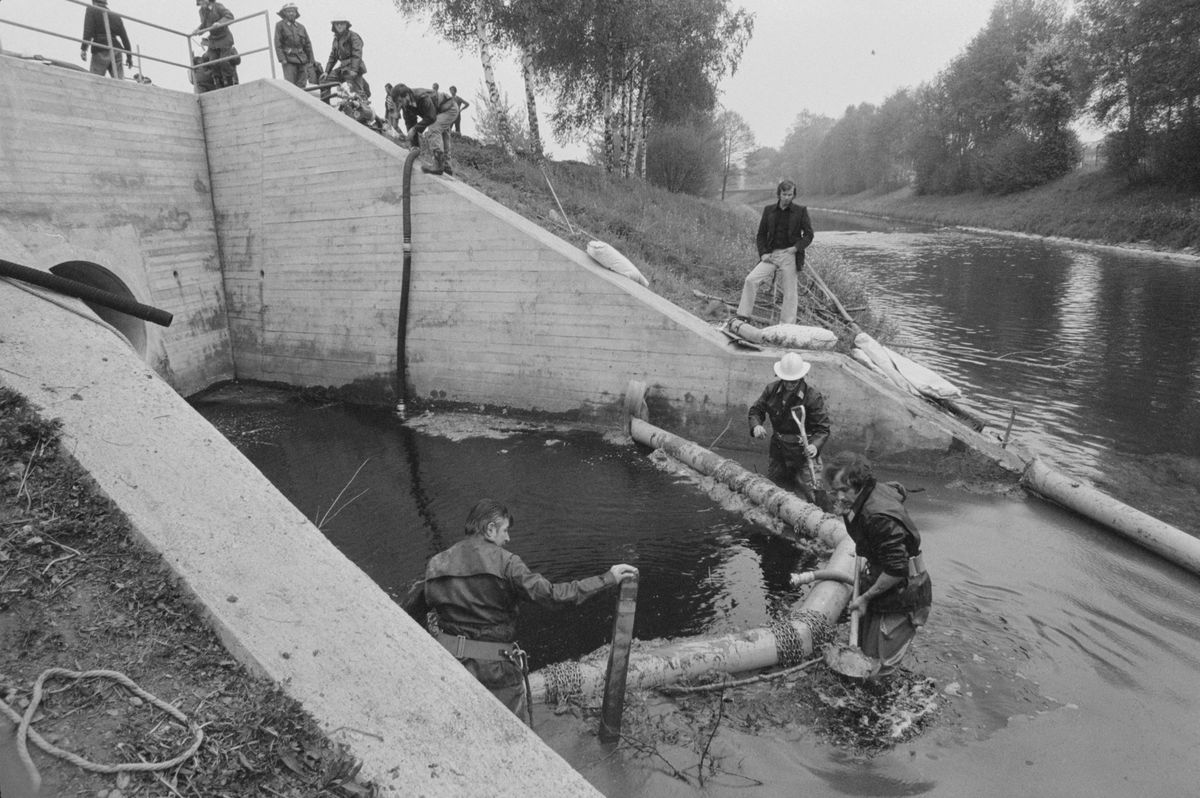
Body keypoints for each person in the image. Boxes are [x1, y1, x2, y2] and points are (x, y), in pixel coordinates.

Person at [402, 499, 637, 722]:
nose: (508, 538)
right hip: (494, 670)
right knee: (509, 734)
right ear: (490, 529)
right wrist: (607, 578)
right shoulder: (507, 563)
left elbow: (411, 614)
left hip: (448, 662)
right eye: (505, 530)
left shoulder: (436, 564)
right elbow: (555, 596)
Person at [825, 451, 932, 680]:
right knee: (864, 650)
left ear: (860, 485)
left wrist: (864, 598)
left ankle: (885, 708)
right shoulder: (873, 490)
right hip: (881, 577)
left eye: (845, 490)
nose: (839, 496)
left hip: (903, 590)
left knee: (877, 669)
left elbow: (896, 569)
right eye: (835, 490)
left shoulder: (878, 517)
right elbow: (899, 490)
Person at [748, 351, 831, 506]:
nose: (789, 384)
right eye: (786, 380)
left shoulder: (812, 396)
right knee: (776, 492)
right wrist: (757, 425)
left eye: (793, 381)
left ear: (802, 377)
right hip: (779, 451)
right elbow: (756, 411)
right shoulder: (771, 390)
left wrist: (814, 445)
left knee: (812, 494)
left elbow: (823, 429)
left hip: (804, 453)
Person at [735, 179, 815, 325]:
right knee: (751, 280)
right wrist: (763, 253)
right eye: (784, 194)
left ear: (794, 195)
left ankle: (787, 325)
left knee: (790, 292)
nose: (787, 197)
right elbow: (761, 235)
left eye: (790, 194)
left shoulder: (800, 211)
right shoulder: (768, 210)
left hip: (790, 255)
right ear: (779, 194)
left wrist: (795, 248)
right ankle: (743, 316)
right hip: (771, 255)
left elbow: (809, 235)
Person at [390, 83, 459, 175]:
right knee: (442, 133)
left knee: (434, 128)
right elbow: (410, 124)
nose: (400, 104)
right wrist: (414, 145)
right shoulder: (406, 106)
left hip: (449, 108)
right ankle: (446, 166)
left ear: (406, 95)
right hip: (439, 111)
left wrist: (414, 129)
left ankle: (438, 165)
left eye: (400, 101)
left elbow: (431, 117)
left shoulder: (421, 97)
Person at [80, 0, 132, 79]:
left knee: (95, 81)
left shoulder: (92, 9)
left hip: (101, 48)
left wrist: (84, 49)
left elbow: (88, 31)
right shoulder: (115, 16)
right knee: (120, 82)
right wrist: (129, 57)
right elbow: (125, 38)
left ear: (94, 2)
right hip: (116, 50)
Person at [193, 0, 237, 89]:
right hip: (213, 40)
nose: (202, 4)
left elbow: (230, 16)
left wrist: (219, 23)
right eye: (200, 2)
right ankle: (218, 83)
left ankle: (228, 83)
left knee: (224, 61)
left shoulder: (218, 7)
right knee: (213, 61)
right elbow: (205, 24)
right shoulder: (202, 11)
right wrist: (198, 30)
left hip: (224, 38)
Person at [273, 3, 313, 89]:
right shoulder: (280, 25)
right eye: (288, 11)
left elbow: (308, 44)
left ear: (296, 13)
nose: (291, 13)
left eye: (293, 11)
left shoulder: (301, 27)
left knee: (302, 87)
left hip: (302, 60)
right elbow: (278, 43)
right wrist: (282, 59)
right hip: (289, 59)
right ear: (284, 13)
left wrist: (311, 60)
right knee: (291, 87)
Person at [324, 19, 368, 98]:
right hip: (342, 68)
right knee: (325, 81)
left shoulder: (353, 36)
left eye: (341, 24)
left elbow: (357, 53)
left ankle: (362, 107)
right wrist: (326, 71)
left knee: (357, 94)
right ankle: (325, 104)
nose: (339, 26)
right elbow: (333, 57)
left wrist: (354, 70)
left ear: (346, 25)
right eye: (337, 24)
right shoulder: (336, 39)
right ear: (334, 26)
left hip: (353, 67)